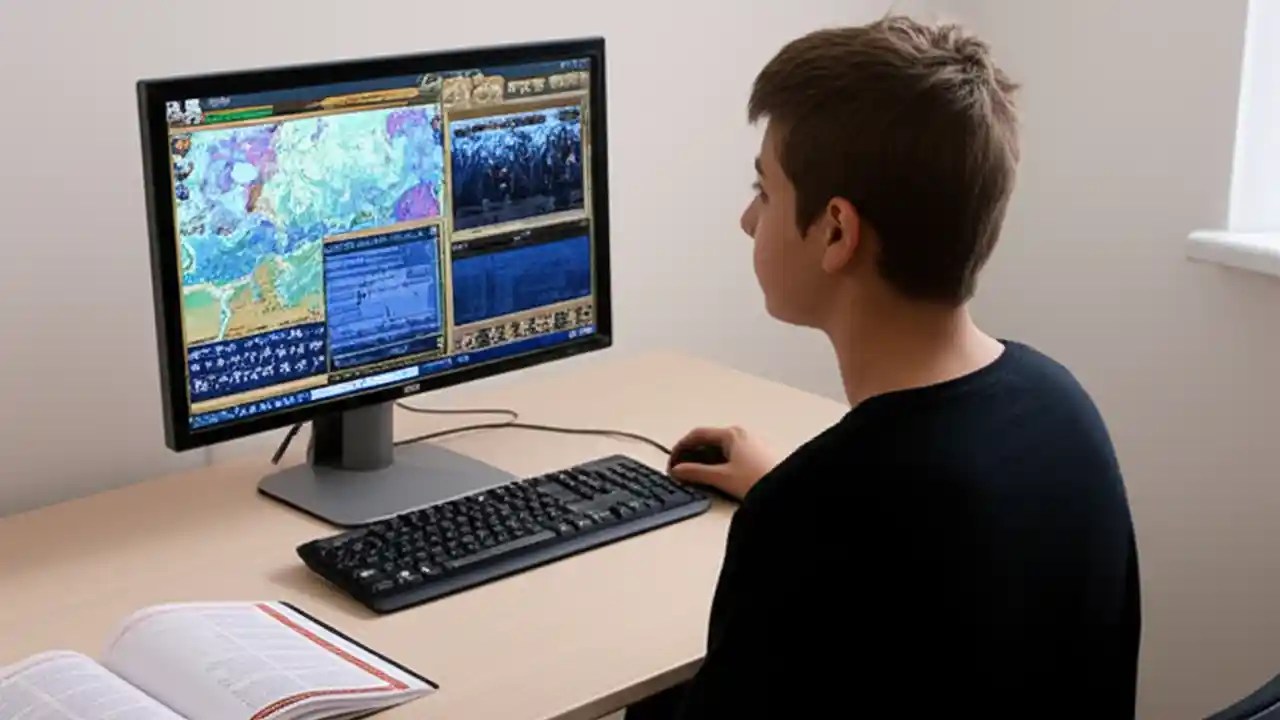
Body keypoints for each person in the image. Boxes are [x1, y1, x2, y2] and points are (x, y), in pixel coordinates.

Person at [633, 15, 1141, 719]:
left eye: (766, 192)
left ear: (836, 231)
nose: (749, 221)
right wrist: (788, 490)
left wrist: (794, 506)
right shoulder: (1063, 410)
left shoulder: (818, 514)